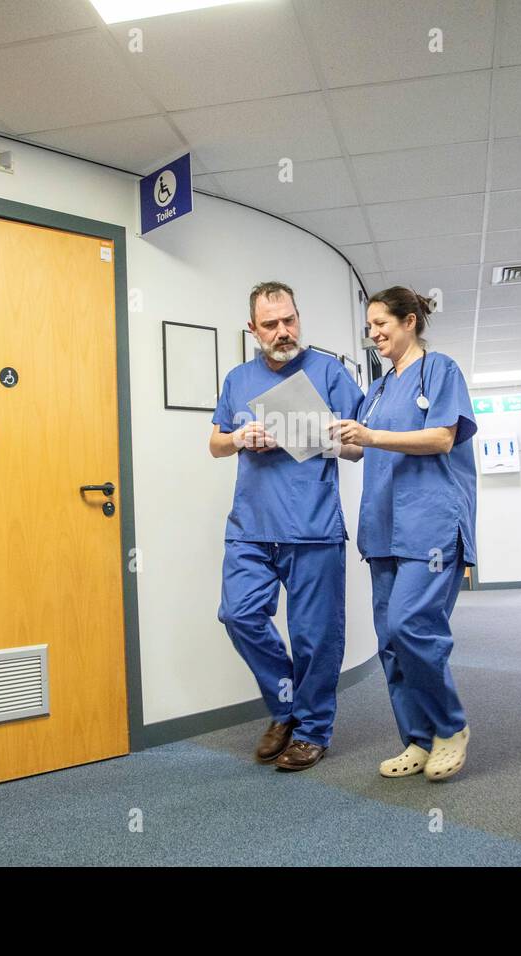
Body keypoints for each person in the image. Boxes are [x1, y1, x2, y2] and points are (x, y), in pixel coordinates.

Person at [209, 281, 364, 771]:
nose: (282, 331)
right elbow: (215, 443)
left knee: (315, 636)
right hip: (251, 526)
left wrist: (315, 436)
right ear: (252, 329)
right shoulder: (238, 378)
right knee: (238, 616)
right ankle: (285, 707)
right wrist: (239, 437)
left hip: (312, 526)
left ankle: (313, 730)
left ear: (299, 318)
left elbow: (362, 446)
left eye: (289, 320)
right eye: (270, 324)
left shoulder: (329, 371)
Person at [330, 286, 477, 781]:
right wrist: (322, 438)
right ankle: (416, 739)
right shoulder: (375, 390)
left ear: (409, 320)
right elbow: (361, 450)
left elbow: (441, 436)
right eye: (369, 327)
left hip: (431, 525)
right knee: (390, 639)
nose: (373, 334)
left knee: (414, 625)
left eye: (380, 325)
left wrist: (370, 436)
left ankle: (450, 727)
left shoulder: (440, 371)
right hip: (384, 526)